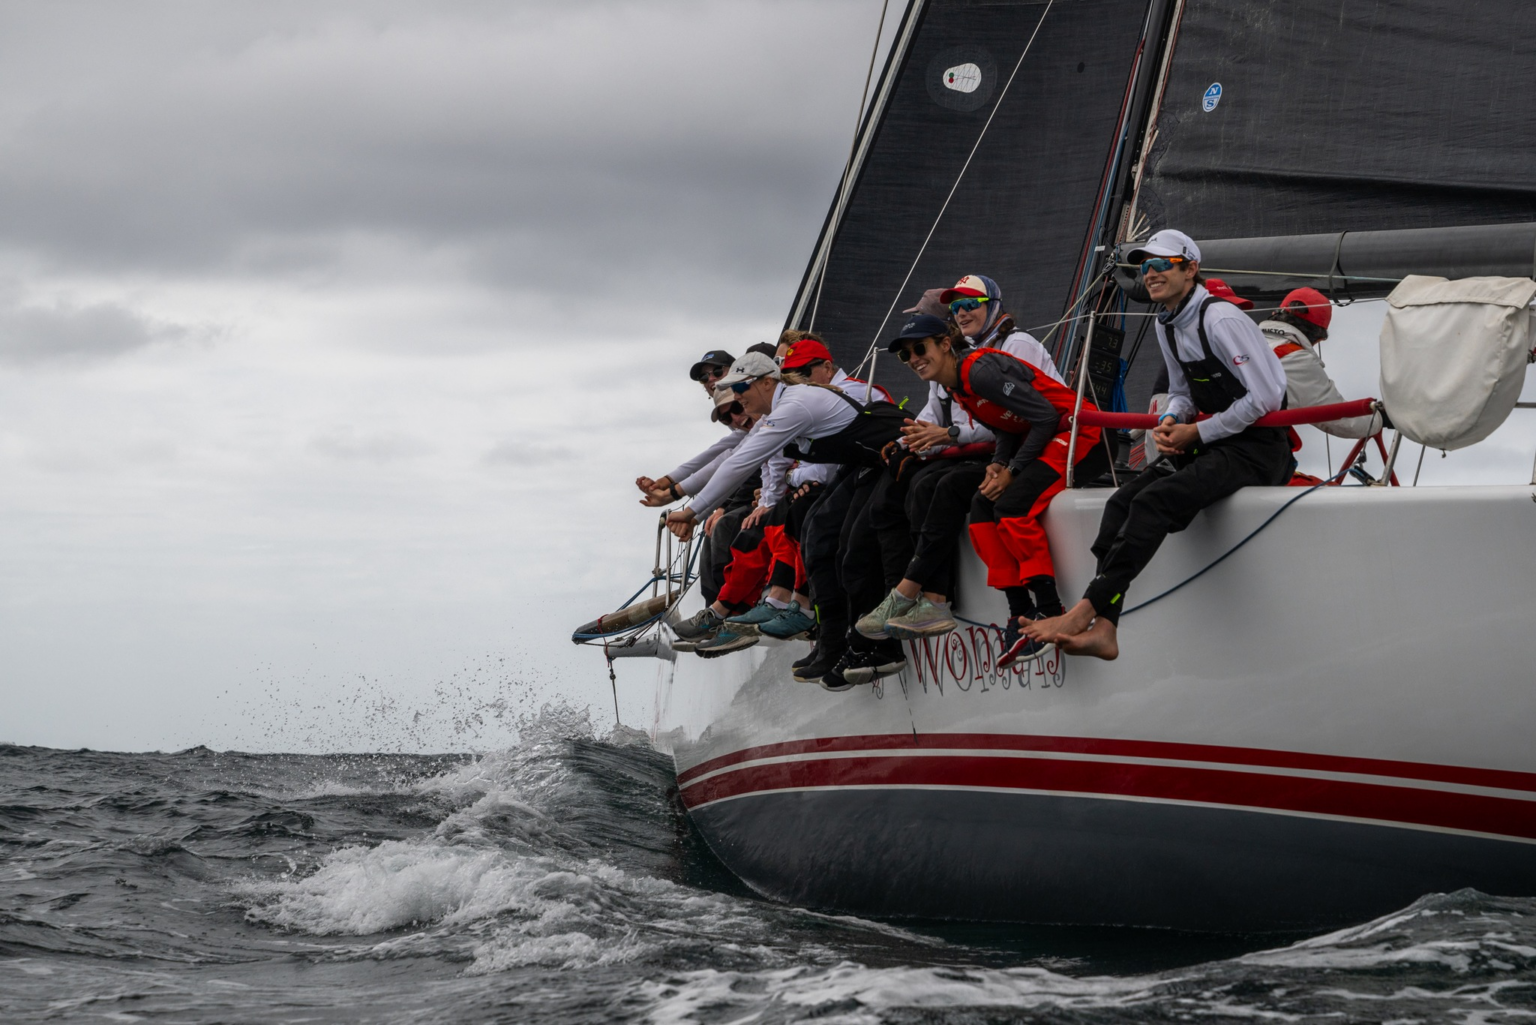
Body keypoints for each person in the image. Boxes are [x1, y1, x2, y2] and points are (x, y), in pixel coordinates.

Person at [1027, 229, 1292, 660]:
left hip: (1258, 449)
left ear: (1191, 269)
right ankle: (1106, 629)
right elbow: (1183, 393)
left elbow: (1265, 399)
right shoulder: (1167, 323)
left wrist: (1197, 433)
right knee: (1119, 506)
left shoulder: (1220, 319)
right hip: (1216, 442)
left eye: (1159, 265)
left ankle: (1084, 612)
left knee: (1154, 503)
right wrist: (1171, 420)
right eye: (1142, 266)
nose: (1148, 274)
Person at [858, 316, 1109, 664]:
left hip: (1083, 435)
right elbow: (1004, 427)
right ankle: (1019, 611)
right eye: (905, 356)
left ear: (946, 344)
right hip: (1044, 438)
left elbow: (1045, 415)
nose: (914, 359)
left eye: (920, 348)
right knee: (981, 505)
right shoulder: (957, 386)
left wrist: (1014, 470)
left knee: (1012, 507)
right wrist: (1000, 463)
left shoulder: (978, 372)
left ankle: (1050, 610)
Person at [665, 351, 910, 690]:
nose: (737, 398)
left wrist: (692, 512)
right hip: (867, 466)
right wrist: (765, 504)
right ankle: (833, 643)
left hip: (900, 459)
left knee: (851, 549)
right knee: (818, 538)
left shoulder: (795, 405)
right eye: (732, 391)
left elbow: (742, 463)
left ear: (768, 382)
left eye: (741, 389)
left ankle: (879, 646)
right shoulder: (774, 412)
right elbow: (772, 465)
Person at [1259, 287, 1382, 439]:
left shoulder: (1238, 340)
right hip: (1247, 453)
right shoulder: (1294, 359)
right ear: (1318, 338)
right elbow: (1343, 421)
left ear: (1274, 315)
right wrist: (1378, 418)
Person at [940, 274, 1064, 384]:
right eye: (955, 307)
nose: (960, 313)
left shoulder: (1017, 344)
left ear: (992, 306)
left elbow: (1022, 403)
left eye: (969, 304)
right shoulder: (973, 349)